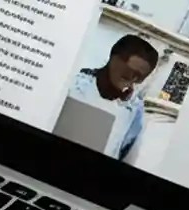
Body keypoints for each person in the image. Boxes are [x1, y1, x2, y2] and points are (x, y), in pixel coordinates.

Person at [68, 34, 159, 163]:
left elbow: (128, 154)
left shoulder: (133, 110)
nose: (132, 79)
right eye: (128, 72)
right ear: (114, 59)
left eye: (139, 77)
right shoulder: (73, 84)